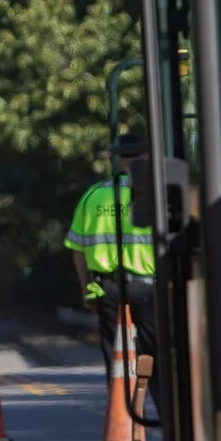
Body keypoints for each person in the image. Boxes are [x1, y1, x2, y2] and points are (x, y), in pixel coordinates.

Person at [64, 133, 158, 401]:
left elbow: (78, 251)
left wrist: (86, 291)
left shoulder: (93, 196)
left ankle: (121, 419)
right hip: (149, 288)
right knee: (157, 357)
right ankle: (165, 416)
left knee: (116, 359)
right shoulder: (158, 195)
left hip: (108, 289)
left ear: (117, 160)